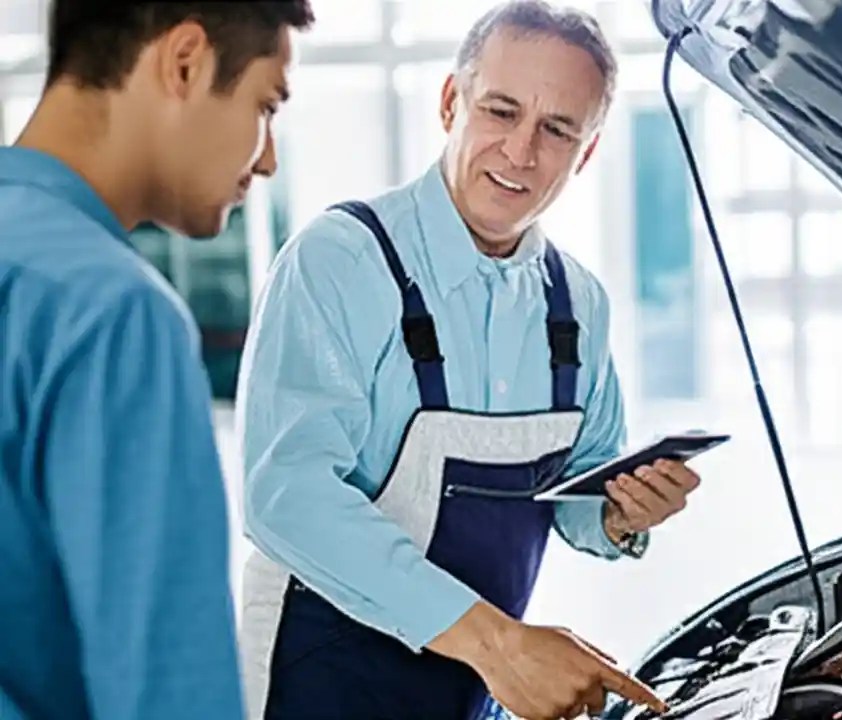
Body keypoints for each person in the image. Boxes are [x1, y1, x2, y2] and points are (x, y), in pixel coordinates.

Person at [235, 2, 700, 719]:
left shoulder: (579, 303)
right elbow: (287, 497)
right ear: (452, 102)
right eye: (501, 111)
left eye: (557, 129)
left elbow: (575, 490)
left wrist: (619, 514)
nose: (521, 152)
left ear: (590, 150)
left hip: (466, 690)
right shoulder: (343, 261)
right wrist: (497, 644)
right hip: (314, 681)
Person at [0, 2, 314, 718]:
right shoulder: (109, 312)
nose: (266, 158)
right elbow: (168, 696)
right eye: (266, 104)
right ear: (185, 63)